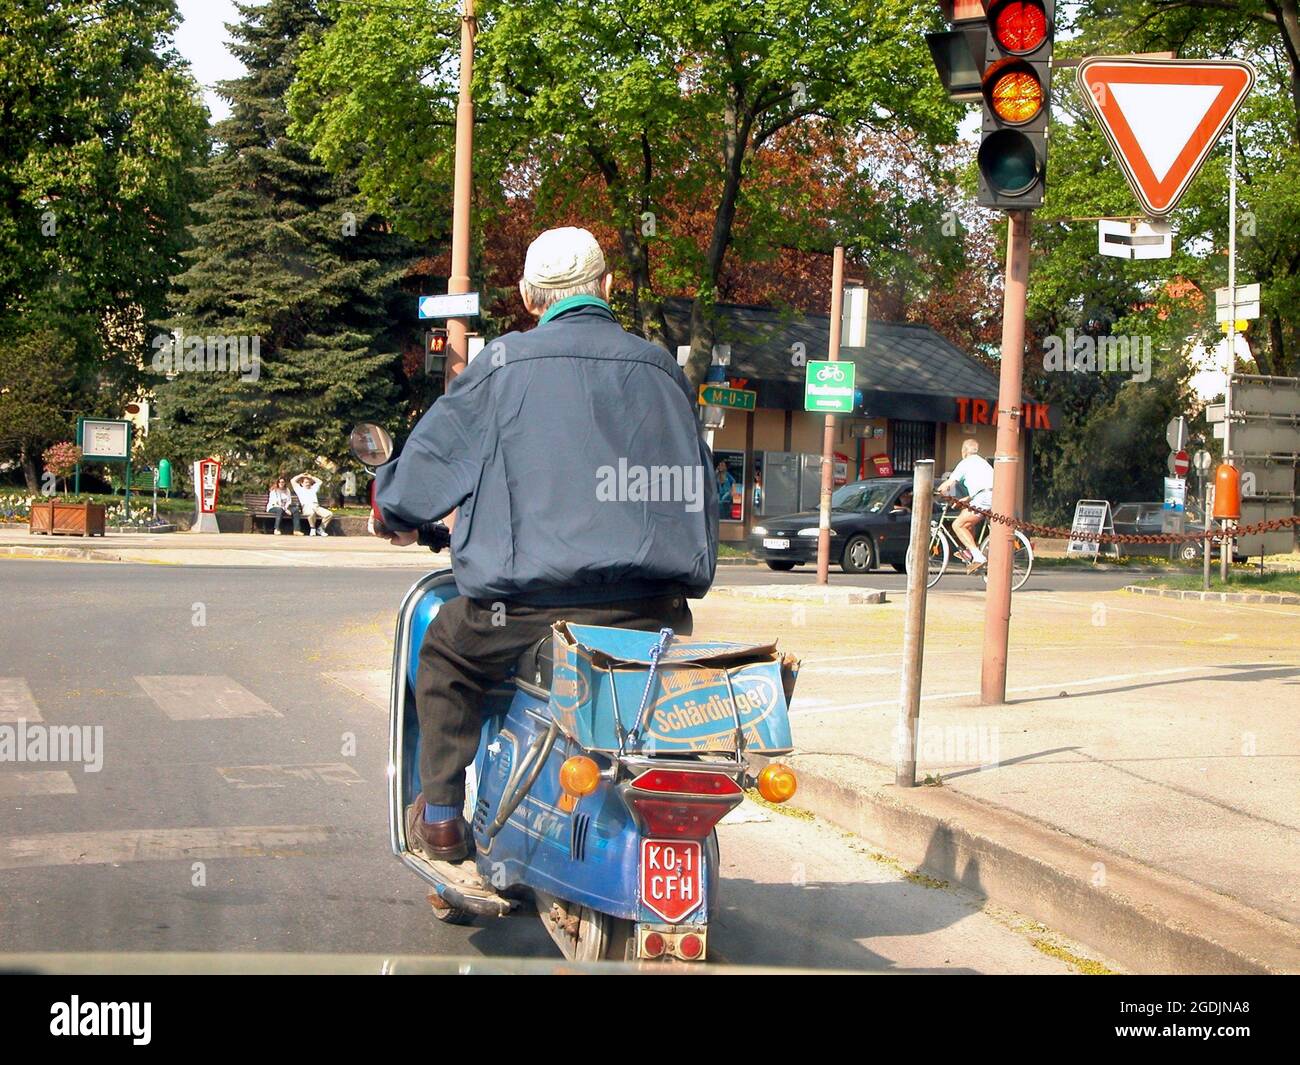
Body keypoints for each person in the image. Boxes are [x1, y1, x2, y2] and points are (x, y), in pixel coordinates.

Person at [371, 226, 718, 874]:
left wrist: (389, 508)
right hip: (655, 613)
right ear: (608, 289)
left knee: (445, 651)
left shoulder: (502, 367)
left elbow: (424, 472)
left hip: (525, 615)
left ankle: (443, 823)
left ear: (531, 299)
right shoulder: (661, 369)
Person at [937, 438, 994, 572]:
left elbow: (949, 484)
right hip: (990, 496)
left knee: (958, 525)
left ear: (963, 451)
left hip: (984, 497)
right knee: (967, 520)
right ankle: (970, 551)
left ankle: (978, 556)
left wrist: (935, 492)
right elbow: (984, 487)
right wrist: (966, 500)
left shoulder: (965, 463)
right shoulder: (984, 463)